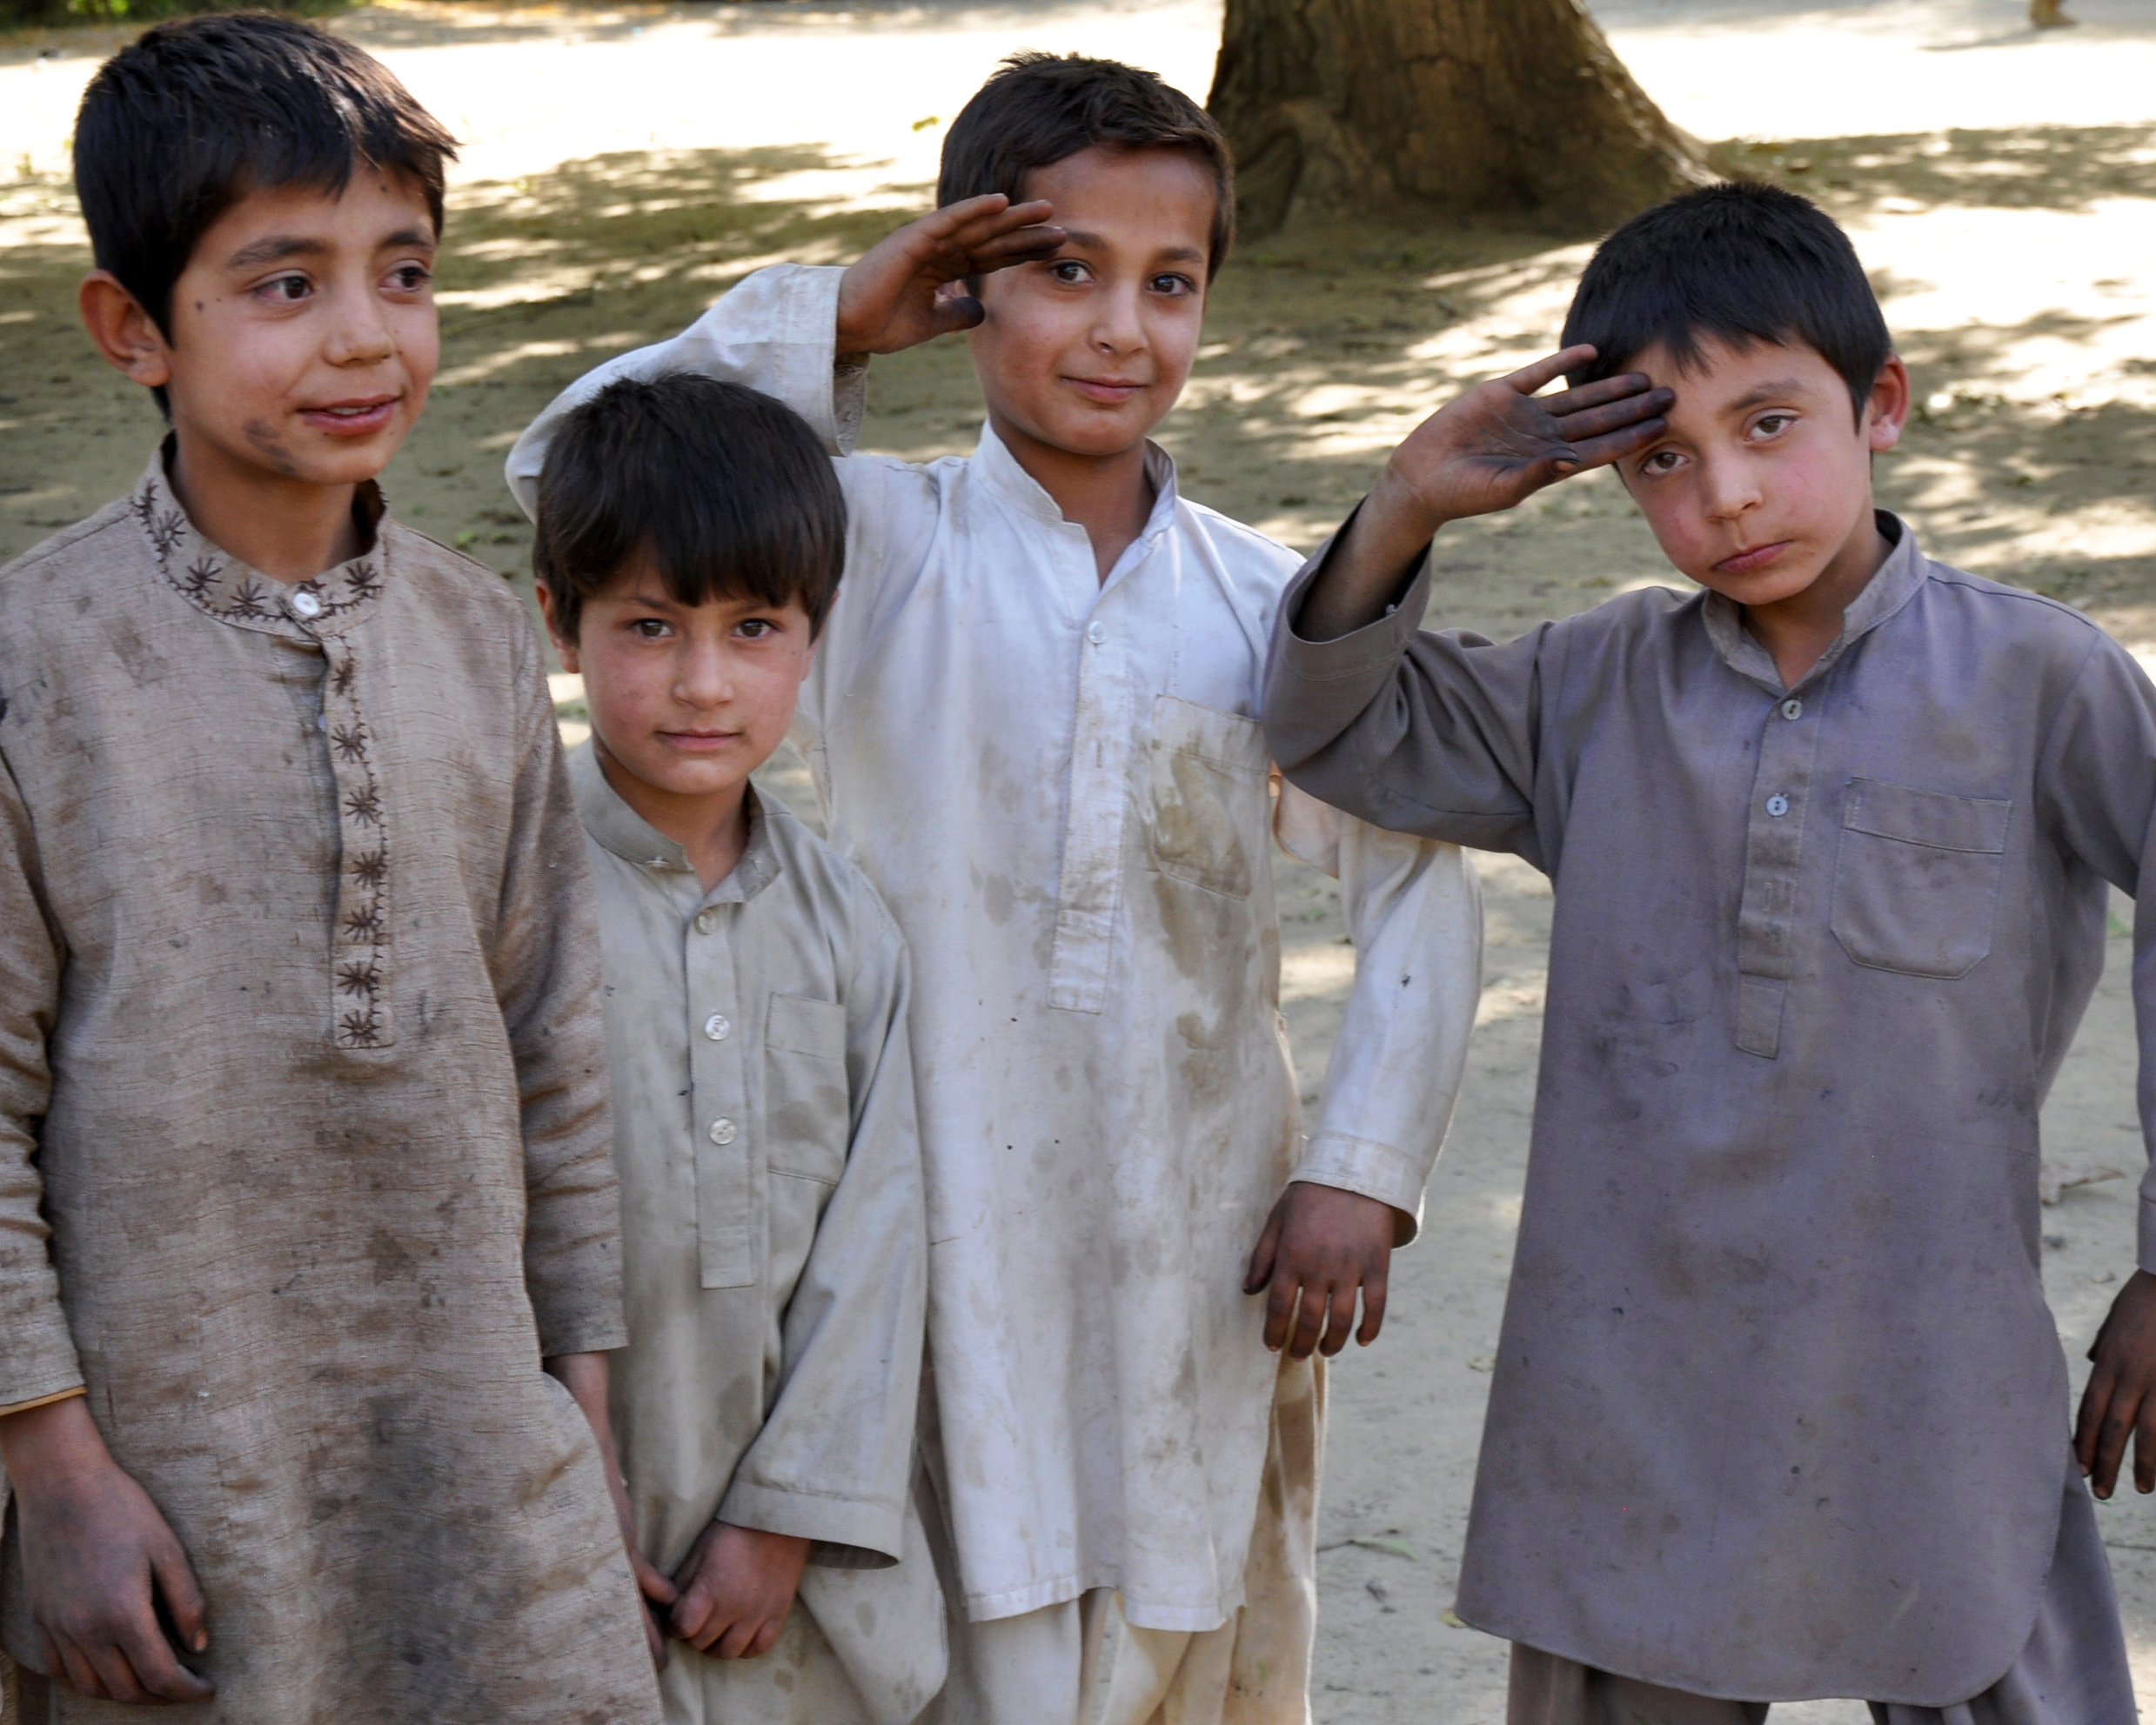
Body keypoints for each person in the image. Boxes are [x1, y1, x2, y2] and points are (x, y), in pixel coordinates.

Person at [1261, 181, 2156, 1723]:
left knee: (1986, 1638)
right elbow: (1338, 726)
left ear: (1880, 403)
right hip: (1636, 1358)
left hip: (1931, 1341)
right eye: (1661, 461)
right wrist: (1410, 501)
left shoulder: (2033, 677)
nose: (1726, 498)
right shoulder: (1595, 686)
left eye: (1770, 425)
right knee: (1627, 1655)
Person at [508, 53, 1490, 1725]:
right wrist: (840, 320)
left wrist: (1364, 1168)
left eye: (1167, 283)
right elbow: (576, 466)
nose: (1120, 328)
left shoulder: (1266, 605)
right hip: (929, 1223)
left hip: (1203, 1236)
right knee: (961, 1622)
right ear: (968, 283)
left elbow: (1413, 877)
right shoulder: (867, 547)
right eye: (1063, 269)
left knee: (1198, 1611)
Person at [0, 15, 664, 1722]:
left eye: (402, 270)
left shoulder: (474, 640)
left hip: (475, 1462)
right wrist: (57, 1471)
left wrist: (582, 1411)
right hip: (170, 1484)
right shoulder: (23, 660)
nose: (363, 334)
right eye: (284, 283)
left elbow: (556, 1047)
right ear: (133, 328)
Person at [528, 371, 942, 1725]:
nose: (704, 684)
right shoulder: (500, 897)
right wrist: (550, 1481)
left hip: (782, 1576)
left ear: (813, 637)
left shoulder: (846, 926)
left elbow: (879, 1246)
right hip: (542, 1523)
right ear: (562, 626)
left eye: (754, 626)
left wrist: (786, 1519)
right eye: (650, 626)